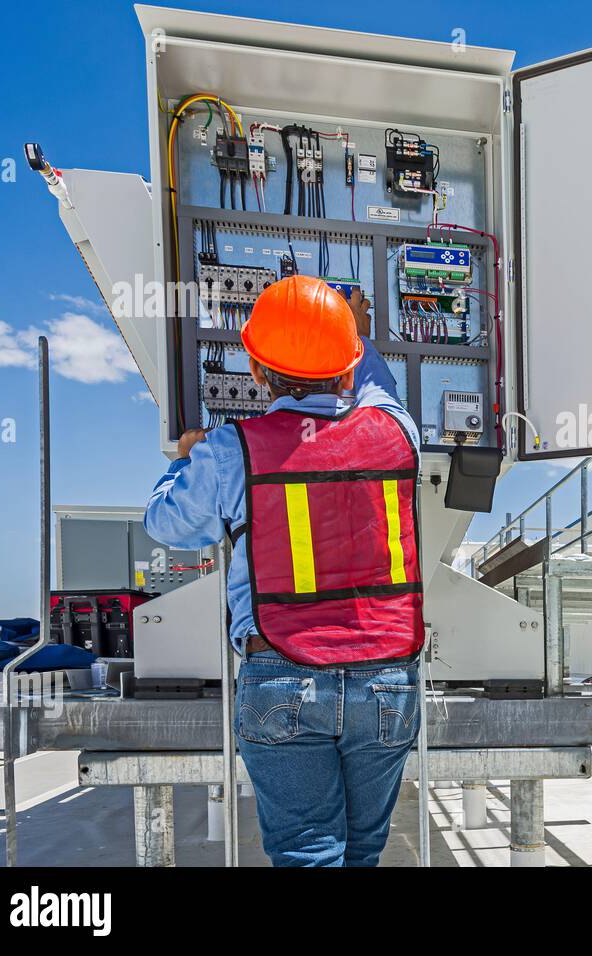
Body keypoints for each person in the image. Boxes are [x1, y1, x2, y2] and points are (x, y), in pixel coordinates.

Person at [145, 275, 424, 867]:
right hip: (387, 680)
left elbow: (166, 526)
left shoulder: (229, 450)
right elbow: (382, 387)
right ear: (349, 371)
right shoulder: (397, 433)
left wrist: (182, 461)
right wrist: (360, 334)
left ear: (255, 372)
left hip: (281, 674)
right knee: (365, 850)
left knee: (307, 854)